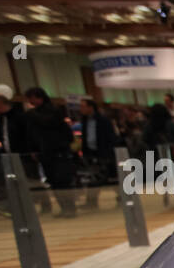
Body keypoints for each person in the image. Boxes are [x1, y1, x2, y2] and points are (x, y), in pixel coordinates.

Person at [23, 87, 77, 217]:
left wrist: (32, 114)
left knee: (62, 181)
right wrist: (34, 149)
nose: (30, 101)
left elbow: (49, 123)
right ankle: (64, 207)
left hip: (58, 152)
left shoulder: (53, 111)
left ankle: (70, 207)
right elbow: (32, 134)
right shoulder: (33, 114)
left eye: (32, 98)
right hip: (45, 152)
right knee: (53, 181)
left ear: (39, 97)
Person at [76, 97, 116, 203]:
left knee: (107, 176)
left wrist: (109, 151)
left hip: (102, 152)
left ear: (91, 107)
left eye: (83, 106)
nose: (81, 109)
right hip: (90, 152)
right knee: (91, 176)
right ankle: (91, 201)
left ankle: (121, 197)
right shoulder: (84, 121)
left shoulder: (103, 120)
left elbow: (110, 137)